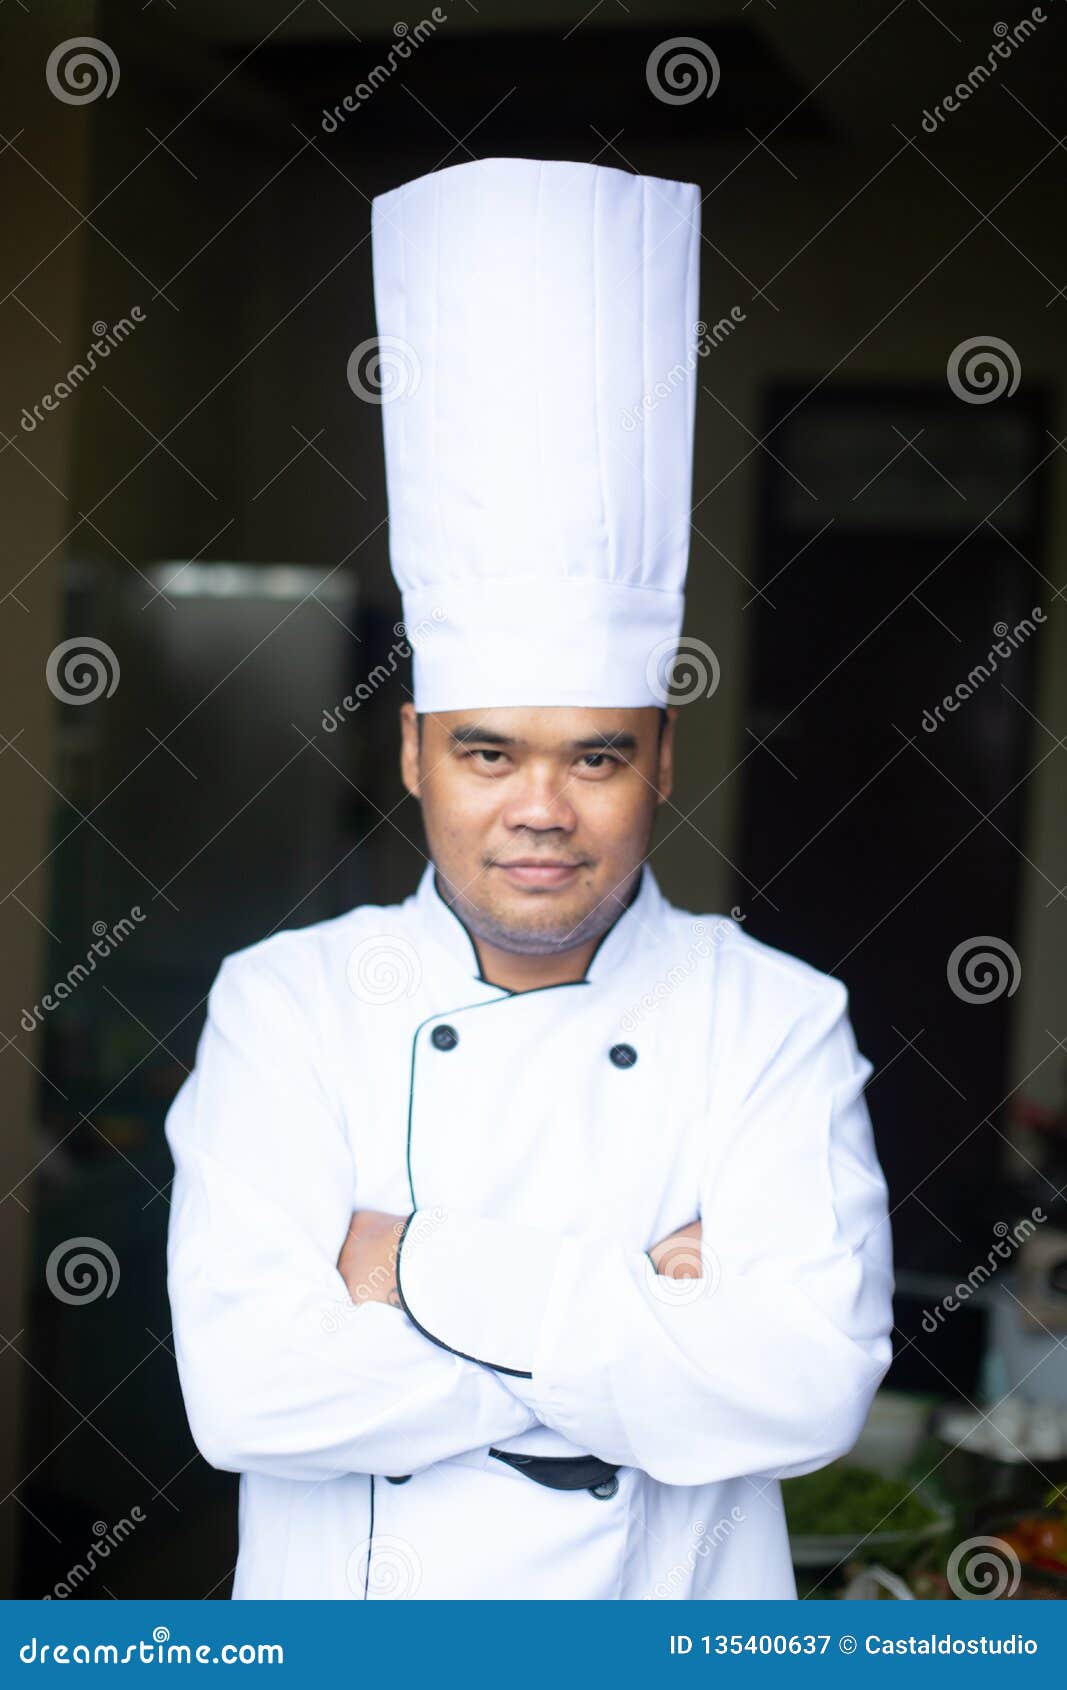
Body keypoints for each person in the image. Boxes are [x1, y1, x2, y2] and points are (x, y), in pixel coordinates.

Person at [164, 157, 893, 1600]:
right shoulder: (288, 1001)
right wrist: (639, 1307)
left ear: (663, 758)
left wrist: (411, 1266)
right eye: (492, 754)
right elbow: (243, 1398)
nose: (542, 810)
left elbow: (807, 1397)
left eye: (597, 757)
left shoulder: (775, 1018)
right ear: (419, 752)